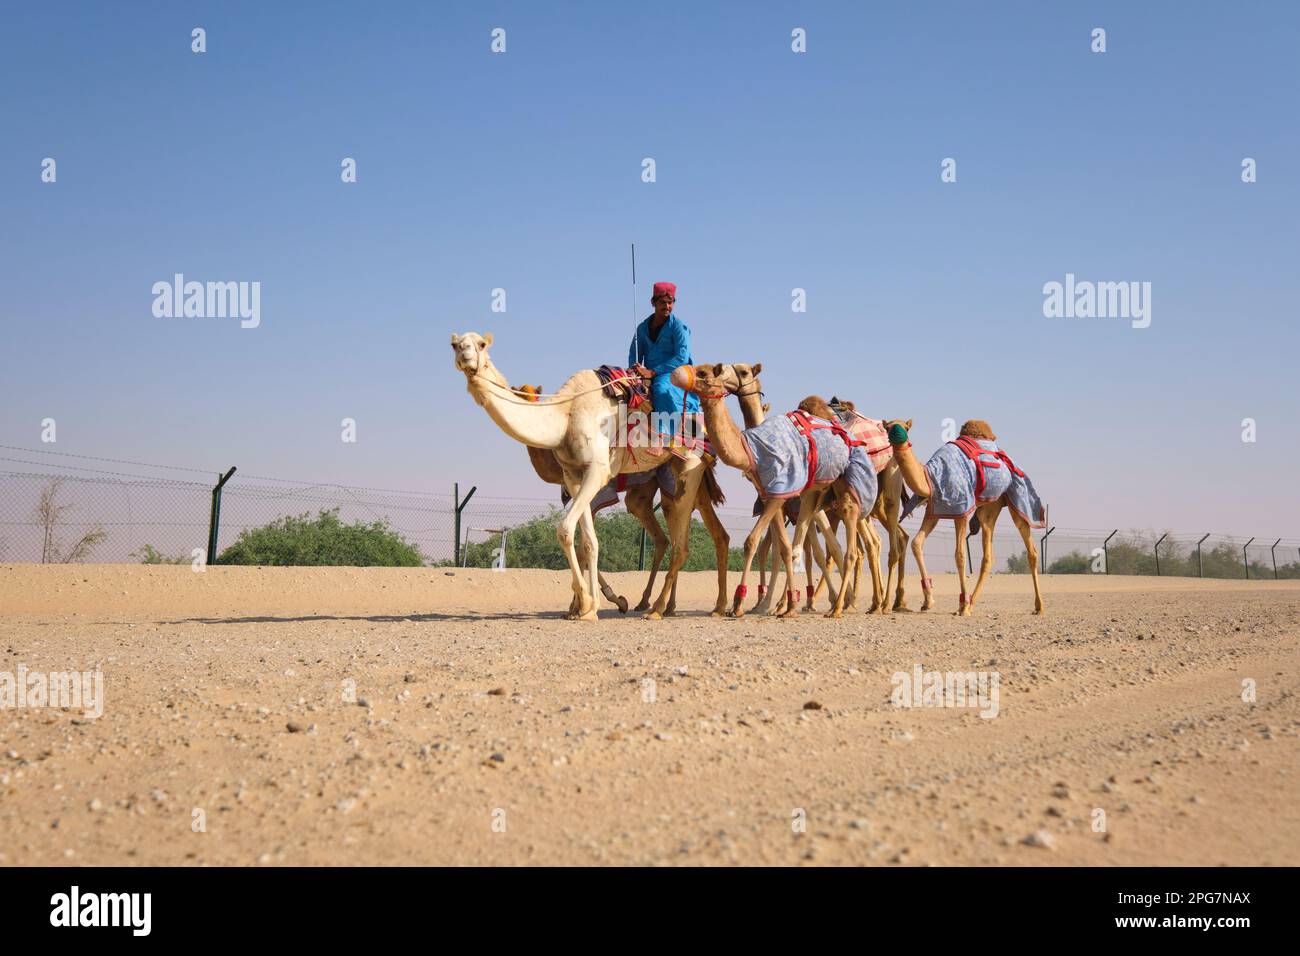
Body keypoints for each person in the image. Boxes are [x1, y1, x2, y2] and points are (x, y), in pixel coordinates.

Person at [628, 281, 700, 439]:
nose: (667, 306)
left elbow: (681, 357)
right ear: (653, 302)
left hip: (674, 373)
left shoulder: (678, 327)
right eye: (662, 302)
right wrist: (634, 369)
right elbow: (635, 353)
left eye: (670, 302)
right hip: (647, 373)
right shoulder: (642, 328)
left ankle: (664, 436)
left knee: (660, 389)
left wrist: (653, 372)